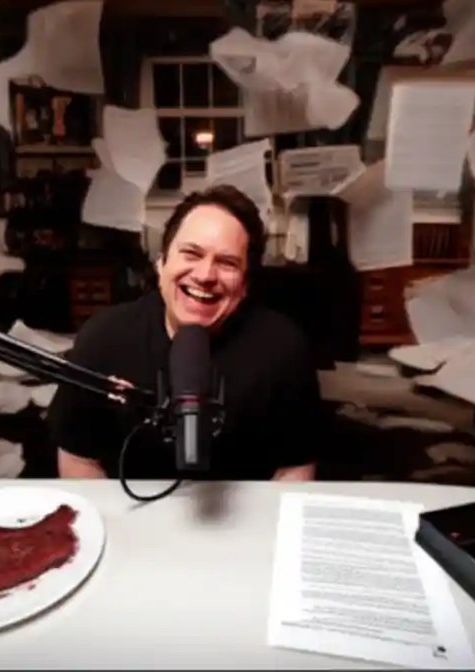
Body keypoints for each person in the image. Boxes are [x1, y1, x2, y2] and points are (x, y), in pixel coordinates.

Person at [47, 185, 324, 482]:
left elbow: (294, 466)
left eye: (227, 263)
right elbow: (79, 456)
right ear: (161, 262)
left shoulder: (284, 348)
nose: (205, 275)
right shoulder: (104, 337)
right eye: (191, 254)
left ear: (244, 285)